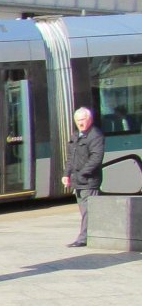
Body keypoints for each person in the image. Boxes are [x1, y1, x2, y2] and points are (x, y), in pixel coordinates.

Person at [63, 105, 106, 247]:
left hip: (89, 180)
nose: (80, 123)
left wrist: (82, 174)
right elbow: (71, 157)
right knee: (85, 211)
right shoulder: (76, 136)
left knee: (88, 211)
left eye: (83, 119)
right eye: (77, 120)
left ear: (90, 119)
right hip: (78, 180)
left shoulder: (95, 135)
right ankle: (91, 235)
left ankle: (83, 239)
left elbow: (96, 158)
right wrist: (66, 174)